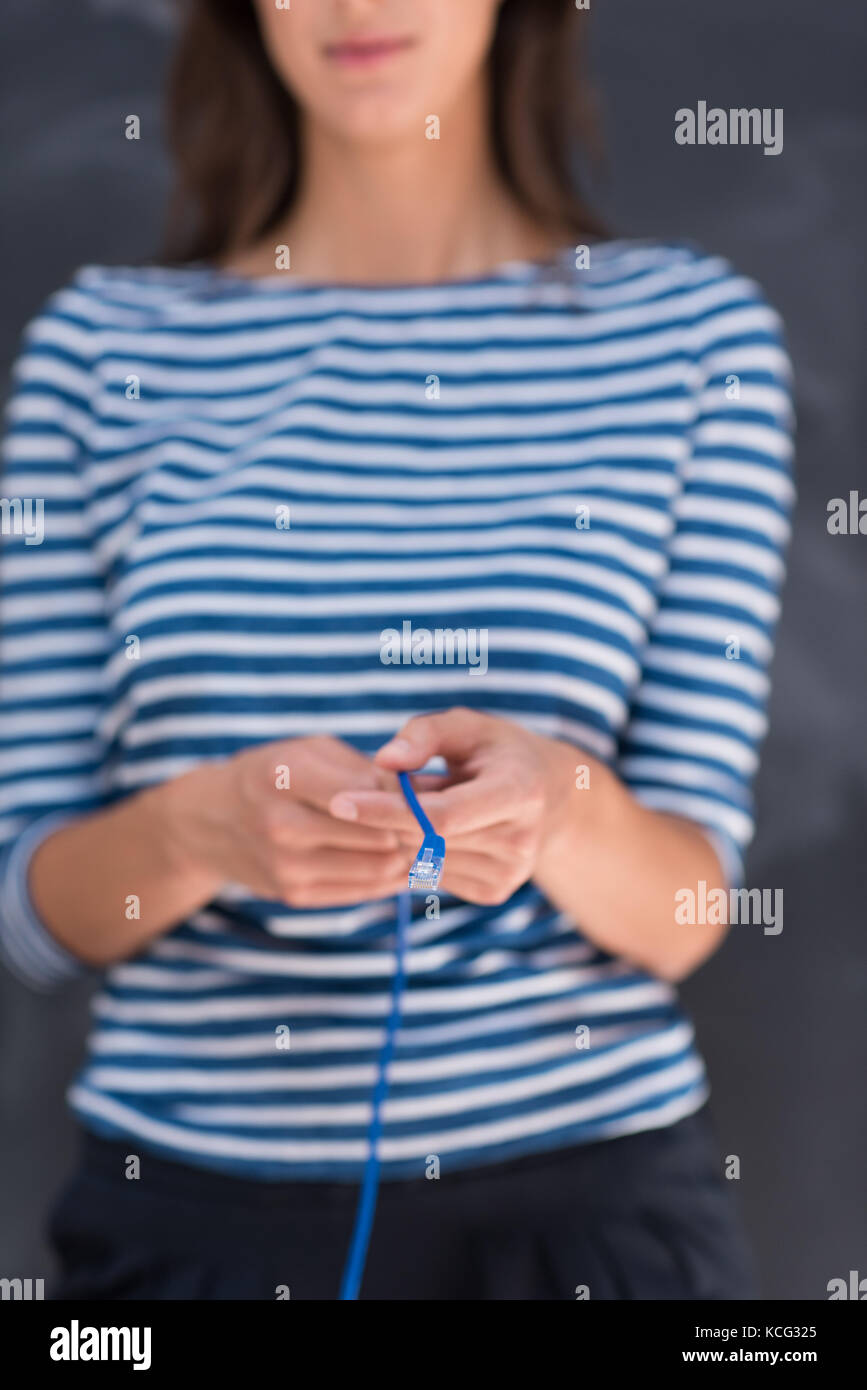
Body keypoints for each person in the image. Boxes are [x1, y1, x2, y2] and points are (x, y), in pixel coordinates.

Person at [0, 0, 795, 1300]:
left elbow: (690, 908)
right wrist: (201, 831)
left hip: (590, 1219)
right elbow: (30, 902)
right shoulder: (101, 351)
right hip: (179, 1230)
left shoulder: (694, 341)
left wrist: (563, 806)